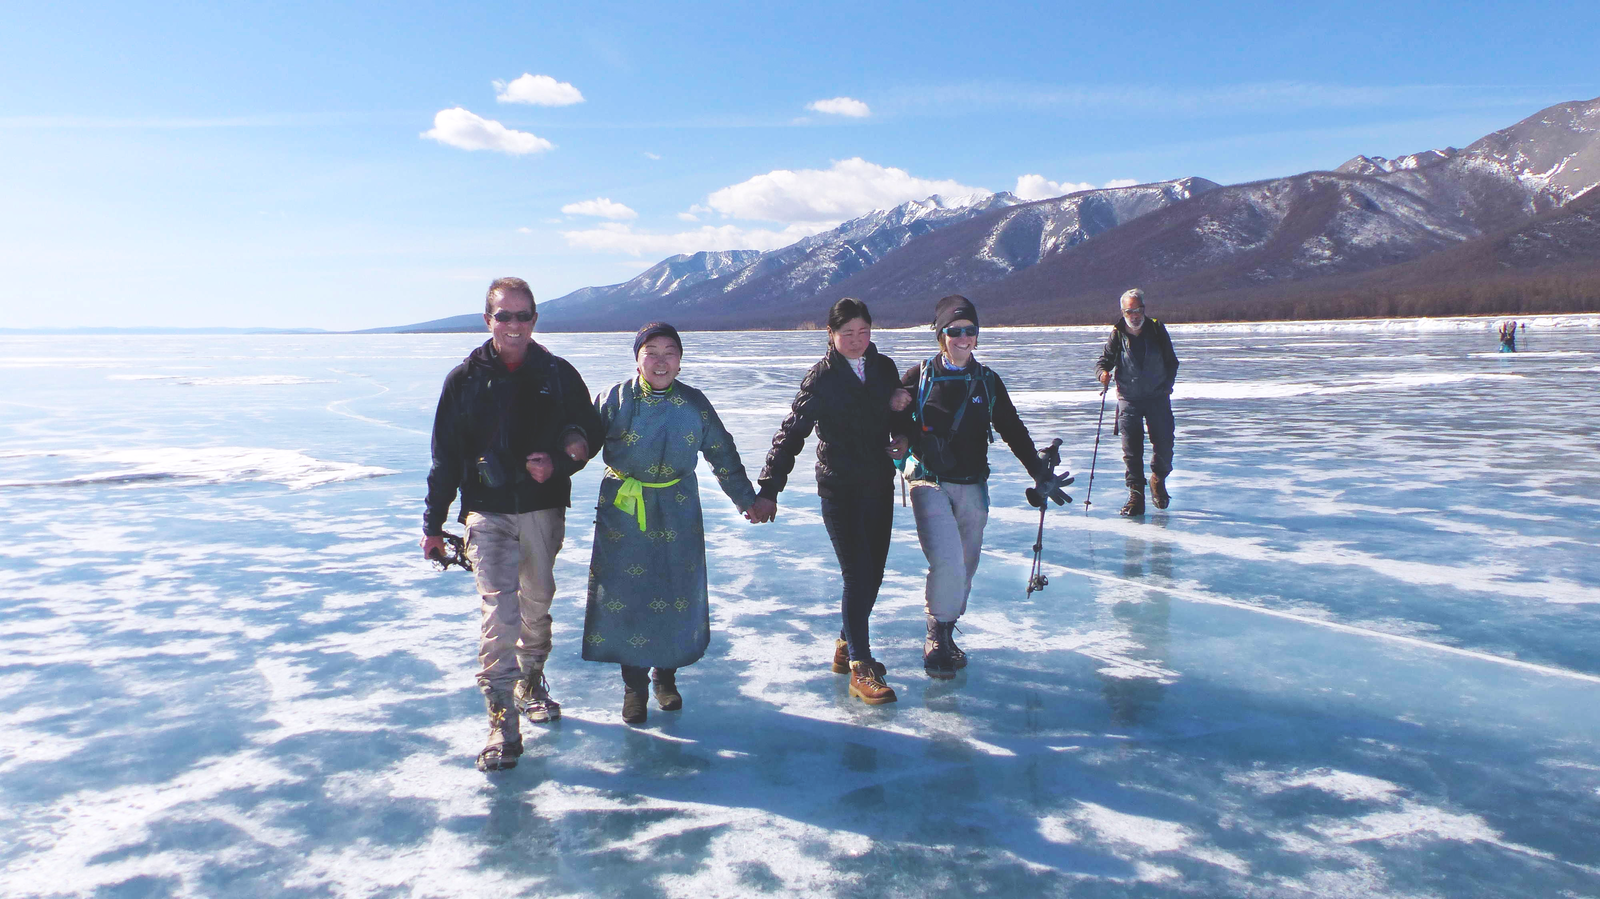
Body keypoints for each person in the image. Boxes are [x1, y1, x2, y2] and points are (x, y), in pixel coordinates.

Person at [422, 277, 601, 772]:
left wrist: (563, 462)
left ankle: (532, 678)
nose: (514, 325)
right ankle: (502, 720)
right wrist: (433, 525)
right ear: (488, 320)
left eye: (523, 316)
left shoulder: (558, 374)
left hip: (543, 509)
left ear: (535, 320)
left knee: (536, 603)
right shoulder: (464, 380)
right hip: (487, 512)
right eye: (504, 315)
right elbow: (445, 460)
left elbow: (587, 431)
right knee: (500, 612)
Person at [582, 322, 764, 725]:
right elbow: (580, 442)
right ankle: (633, 686)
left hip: (678, 504)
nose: (661, 360)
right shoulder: (613, 399)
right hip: (625, 507)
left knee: (674, 587)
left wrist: (746, 499)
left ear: (680, 362)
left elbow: (722, 451)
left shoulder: (694, 403)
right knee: (627, 591)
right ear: (637, 358)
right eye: (652, 351)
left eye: (670, 352)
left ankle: (665, 676)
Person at [750, 298, 913, 705]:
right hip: (839, 488)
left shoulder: (884, 368)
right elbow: (791, 434)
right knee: (857, 574)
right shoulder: (821, 378)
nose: (856, 341)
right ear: (831, 335)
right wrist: (769, 488)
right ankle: (861, 666)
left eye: (863, 332)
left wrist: (903, 434)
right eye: (847, 334)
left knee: (874, 573)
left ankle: (845, 643)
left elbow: (896, 419)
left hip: (879, 483)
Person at [901, 295, 1052, 679]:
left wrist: (1038, 471)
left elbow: (1012, 428)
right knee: (948, 559)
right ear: (941, 335)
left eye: (970, 331)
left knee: (965, 564)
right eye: (955, 331)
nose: (963, 337)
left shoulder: (987, 380)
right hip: (927, 480)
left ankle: (947, 631)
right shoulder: (919, 376)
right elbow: (889, 416)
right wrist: (899, 443)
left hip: (973, 484)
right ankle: (935, 635)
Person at [1095, 288, 1179, 517]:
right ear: (1123, 312)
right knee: (1131, 450)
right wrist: (1102, 373)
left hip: (1157, 398)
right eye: (1128, 311)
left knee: (1164, 445)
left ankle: (1158, 479)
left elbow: (1172, 362)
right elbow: (1104, 361)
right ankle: (1136, 495)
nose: (1134, 315)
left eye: (1137, 310)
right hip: (1129, 399)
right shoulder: (1118, 333)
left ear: (1144, 309)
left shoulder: (1157, 329)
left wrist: (1166, 386)